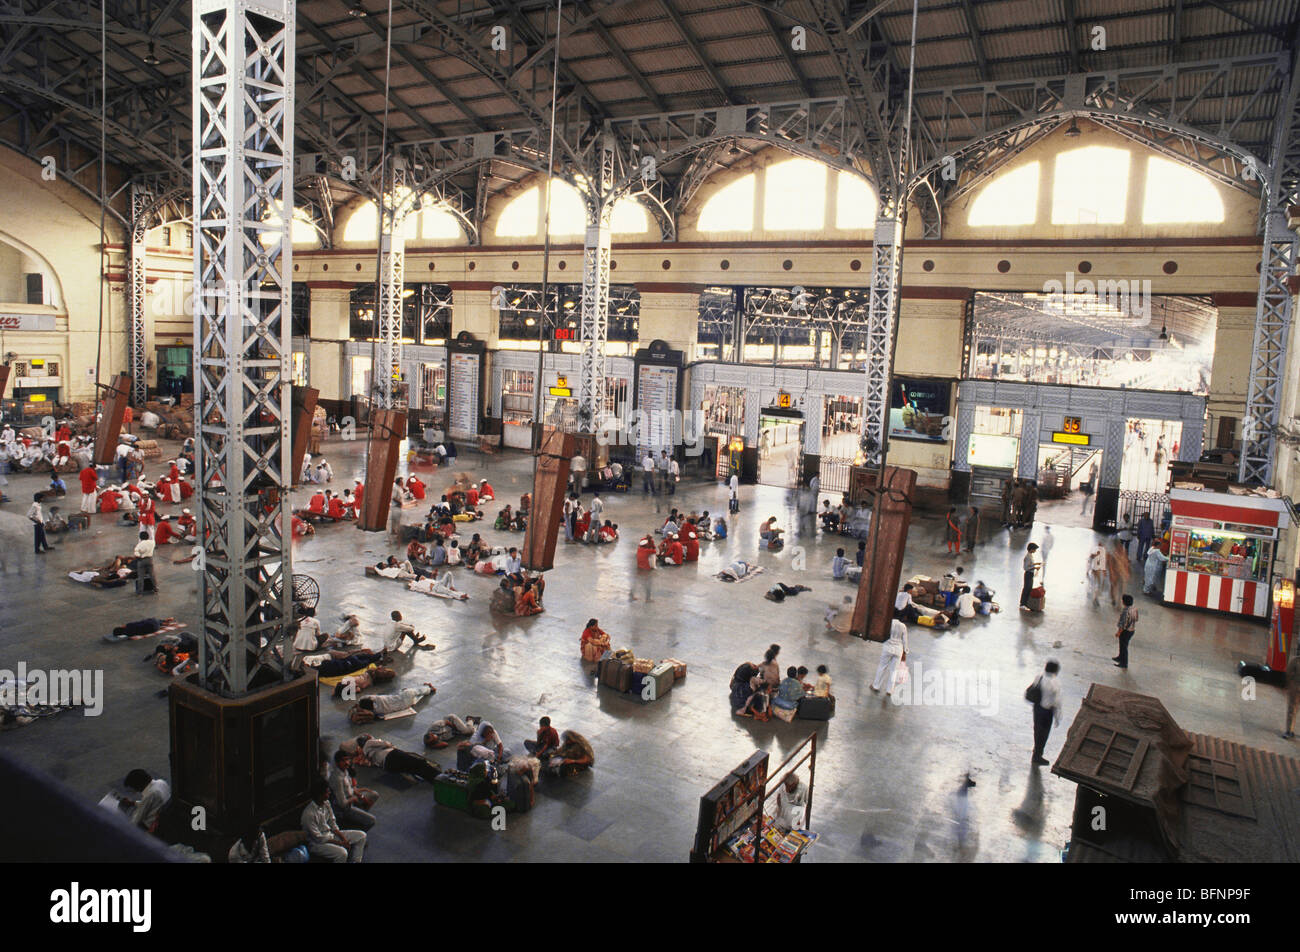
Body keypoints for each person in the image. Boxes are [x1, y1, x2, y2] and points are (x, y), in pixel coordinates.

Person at [341, 734, 443, 783]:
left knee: (412, 769)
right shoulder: (369, 743)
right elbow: (386, 743)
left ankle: (433, 779)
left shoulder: (365, 752)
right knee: (417, 762)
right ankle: (438, 777)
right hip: (392, 755)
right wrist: (388, 744)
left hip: (387, 765)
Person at [302, 785, 366, 862]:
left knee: (361, 836)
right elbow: (319, 838)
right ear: (320, 795)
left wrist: (344, 839)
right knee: (342, 853)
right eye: (327, 792)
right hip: (317, 844)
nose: (329, 792)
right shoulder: (309, 814)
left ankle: (355, 861)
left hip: (330, 835)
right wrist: (340, 843)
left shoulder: (326, 803)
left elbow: (333, 824)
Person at [327, 750, 378, 831]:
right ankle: (354, 830)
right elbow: (342, 804)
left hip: (351, 799)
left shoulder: (345, 771)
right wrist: (354, 799)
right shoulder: (337, 779)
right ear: (337, 763)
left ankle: (358, 816)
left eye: (347, 759)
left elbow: (351, 789)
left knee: (374, 794)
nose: (347, 763)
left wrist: (361, 795)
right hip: (344, 809)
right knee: (371, 821)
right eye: (343, 760)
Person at [1029, 660, 1063, 766]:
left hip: (1037, 708)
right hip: (1046, 712)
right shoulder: (1055, 683)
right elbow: (1056, 702)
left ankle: (1036, 751)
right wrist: (1057, 718)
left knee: (1037, 731)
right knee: (1043, 735)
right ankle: (1037, 755)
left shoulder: (1039, 677)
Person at [121, 768, 171, 833]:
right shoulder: (161, 782)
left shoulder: (150, 794)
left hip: (153, 826)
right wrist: (134, 803)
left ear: (137, 786)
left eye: (132, 788)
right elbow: (152, 803)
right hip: (165, 816)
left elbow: (137, 818)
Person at [871, 619, 908, 695]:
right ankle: (889, 690)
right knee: (894, 670)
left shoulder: (887, 623)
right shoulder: (903, 626)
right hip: (898, 649)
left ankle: (876, 686)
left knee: (882, 667)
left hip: (887, 647)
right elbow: (905, 641)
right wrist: (905, 652)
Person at [356, 683, 436, 717]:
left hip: (405, 705)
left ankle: (426, 690)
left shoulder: (377, 711)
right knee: (414, 691)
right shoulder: (377, 698)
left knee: (413, 695)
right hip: (404, 697)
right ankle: (429, 688)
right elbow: (368, 697)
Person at [288, 607, 323, 674]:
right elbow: (318, 634)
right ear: (313, 614)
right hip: (310, 647)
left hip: (297, 645)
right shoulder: (316, 621)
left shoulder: (299, 620)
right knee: (325, 636)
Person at [1114, 594, 1139, 669]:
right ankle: (1120, 657)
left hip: (1125, 631)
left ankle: (1124, 663)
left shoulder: (1125, 611)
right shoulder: (1134, 609)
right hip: (1132, 630)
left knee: (1123, 647)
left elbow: (1123, 624)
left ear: (1124, 602)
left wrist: (1119, 632)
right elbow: (1136, 619)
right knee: (1123, 645)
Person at [1106, 539, 1131, 607]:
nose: (1120, 547)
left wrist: (1127, 572)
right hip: (1115, 572)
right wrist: (1111, 573)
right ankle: (1113, 599)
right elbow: (1110, 564)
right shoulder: (1112, 554)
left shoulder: (1123, 552)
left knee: (1121, 588)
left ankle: (1119, 601)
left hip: (1121, 573)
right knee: (1114, 586)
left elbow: (1126, 562)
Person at [1019, 543, 1041, 611]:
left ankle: (1025, 604)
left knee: (1029, 589)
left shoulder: (1030, 556)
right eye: (1034, 549)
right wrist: (1035, 568)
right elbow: (1026, 568)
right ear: (1031, 549)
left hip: (1030, 574)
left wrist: (1036, 564)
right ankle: (1023, 604)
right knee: (1026, 589)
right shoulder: (1028, 557)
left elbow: (1030, 564)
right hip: (1028, 574)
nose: (1035, 551)